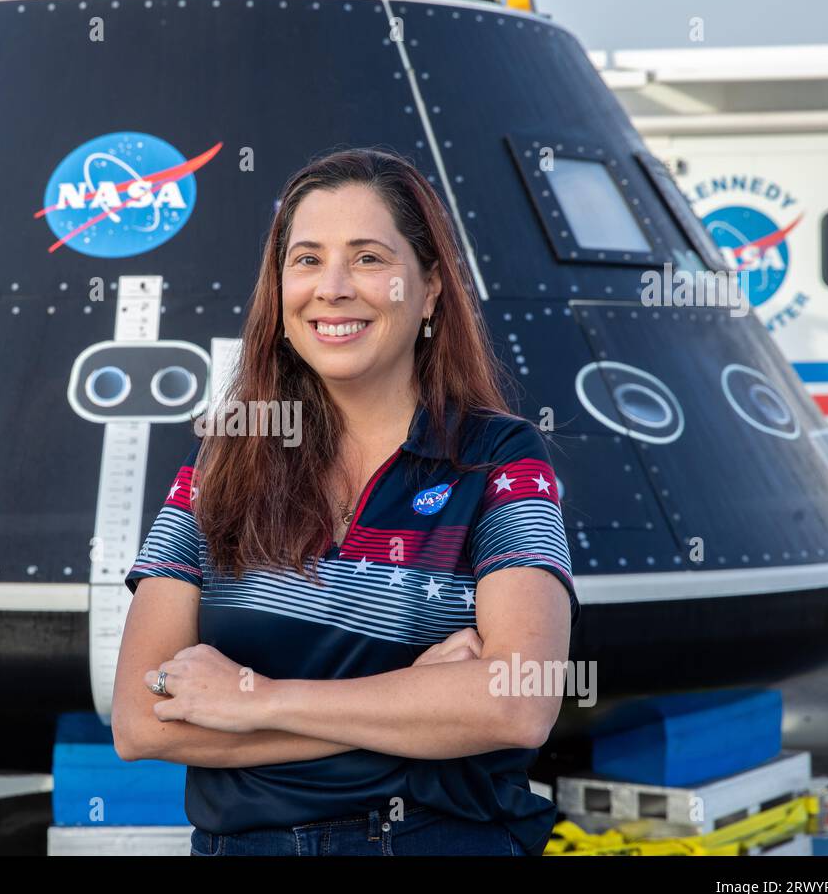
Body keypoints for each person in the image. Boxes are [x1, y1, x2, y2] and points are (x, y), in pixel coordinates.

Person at [112, 146, 579, 856]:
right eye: (307, 260)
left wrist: (255, 701)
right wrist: (415, 702)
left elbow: (518, 703)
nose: (331, 288)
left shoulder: (499, 457)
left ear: (430, 289)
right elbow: (141, 721)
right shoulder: (222, 459)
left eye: (367, 259)